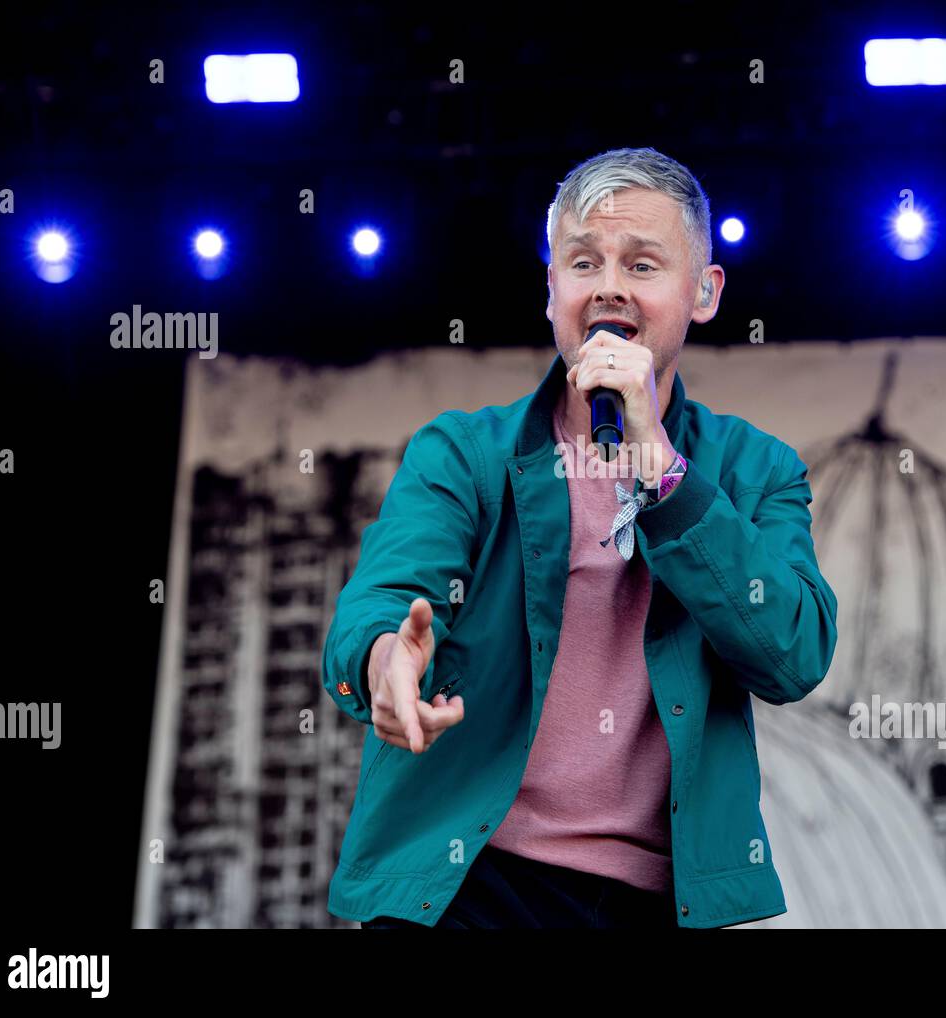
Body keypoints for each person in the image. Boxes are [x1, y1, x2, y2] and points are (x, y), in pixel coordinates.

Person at [322, 146, 839, 929]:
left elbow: (793, 654)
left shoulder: (756, 470)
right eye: (584, 262)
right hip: (465, 886)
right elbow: (384, 601)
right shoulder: (462, 453)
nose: (608, 287)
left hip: (650, 901)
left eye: (642, 265)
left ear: (705, 292)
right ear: (551, 290)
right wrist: (385, 661)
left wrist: (662, 470)